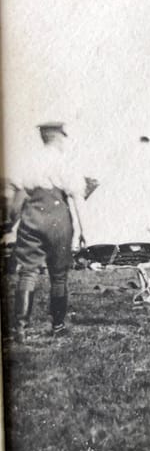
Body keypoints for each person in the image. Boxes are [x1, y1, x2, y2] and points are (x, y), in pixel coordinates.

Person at [10, 122, 87, 341]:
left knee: (27, 272)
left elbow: (18, 196)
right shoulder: (65, 161)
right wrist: (84, 230)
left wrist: (11, 221)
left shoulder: (28, 162)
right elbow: (77, 196)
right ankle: (58, 325)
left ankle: (21, 328)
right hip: (57, 219)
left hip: (31, 216)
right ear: (59, 137)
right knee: (59, 274)